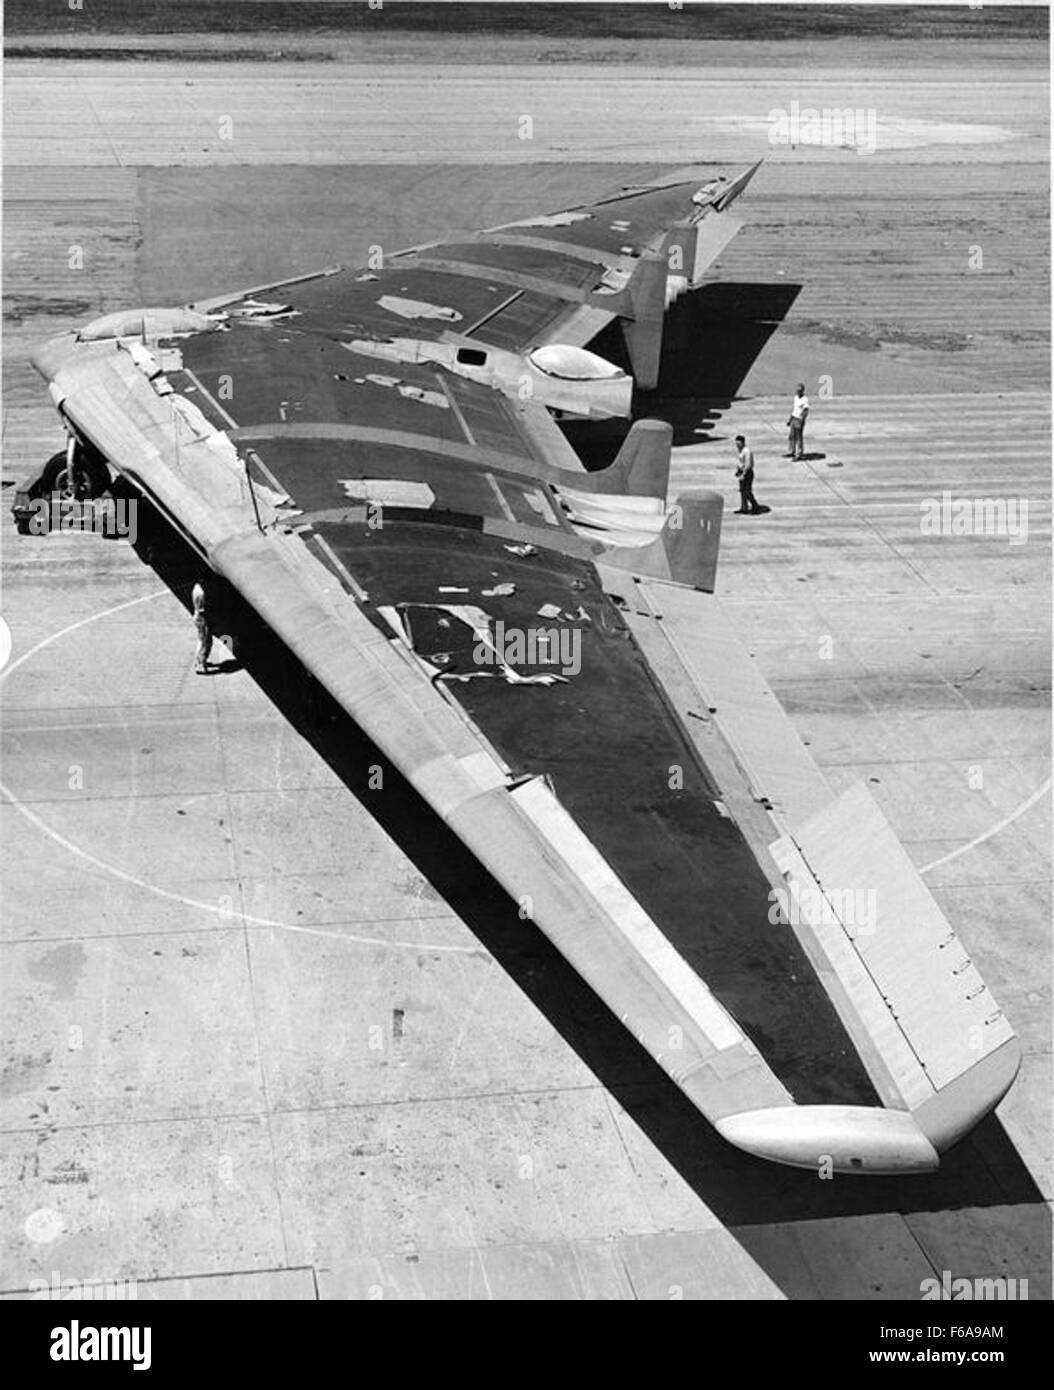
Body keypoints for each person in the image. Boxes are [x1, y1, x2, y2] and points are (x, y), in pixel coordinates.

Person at [733, 435, 762, 514]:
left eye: (738, 443)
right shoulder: (741, 450)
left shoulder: (747, 451)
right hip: (742, 472)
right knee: (742, 491)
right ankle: (744, 507)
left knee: (747, 491)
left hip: (747, 473)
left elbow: (748, 464)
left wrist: (744, 474)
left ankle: (755, 506)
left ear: (742, 442)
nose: (737, 445)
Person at [192, 580, 213, 674]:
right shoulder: (202, 593)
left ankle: (200, 660)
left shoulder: (196, 588)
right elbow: (203, 609)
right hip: (202, 618)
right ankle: (200, 663)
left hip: (197, 617)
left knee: (202, 640)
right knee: (205, 642)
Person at [787, 383, 809, 460]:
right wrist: (790, 419)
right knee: (792, 436)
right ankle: (792, 451)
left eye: (799, 391)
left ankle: (799, 454)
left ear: (802, 391)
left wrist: (801, 421)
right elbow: (794, 409)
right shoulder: (796, 398)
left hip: (799, 420)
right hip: (794, 418)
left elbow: (805, 411)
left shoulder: (805, 399)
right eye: (797, 390)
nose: (798, 392)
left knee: (799, 438)